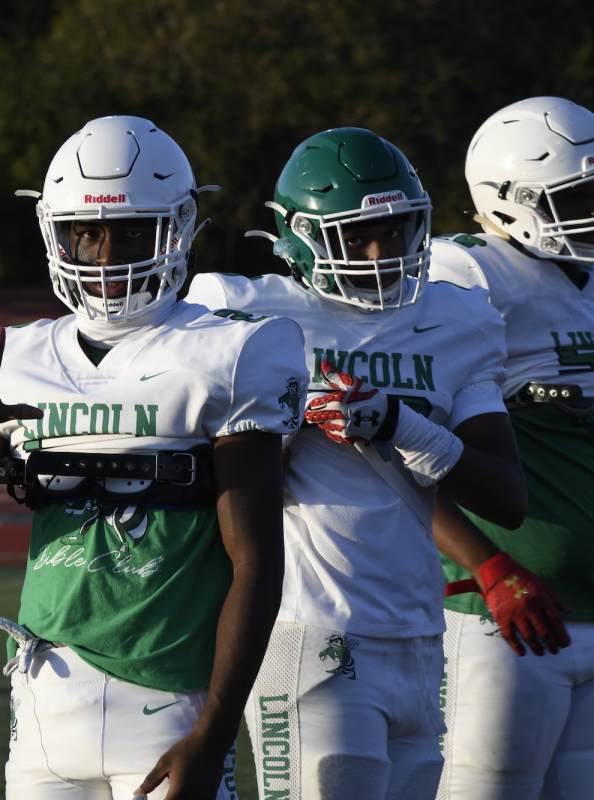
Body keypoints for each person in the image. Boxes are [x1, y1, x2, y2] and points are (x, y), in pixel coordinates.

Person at [0, 115, 308, 800]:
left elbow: (256, 561)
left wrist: (215, 732)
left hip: (170, 699)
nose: (108, 256)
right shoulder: (11, 355)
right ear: (58, 233)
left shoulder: (230, 352)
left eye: (133, 232)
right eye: (88, 232)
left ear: (179, 228)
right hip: (44, 696)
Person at [183, 127, 528, 800]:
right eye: (356, 236)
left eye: (395, 230)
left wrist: (401, 424)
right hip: (310, 632)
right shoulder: (247, 315)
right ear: (301, 240)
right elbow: (202, 469)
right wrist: (277, 424)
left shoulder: (457, 319)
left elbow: (506, 497)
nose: (381, 253)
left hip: (420, 636)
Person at [429, 95, 593, 800]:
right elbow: (398, 451)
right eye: (577, 197)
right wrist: (489, 565)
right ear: (512, 199)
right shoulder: (465, 274)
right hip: (503, 613)